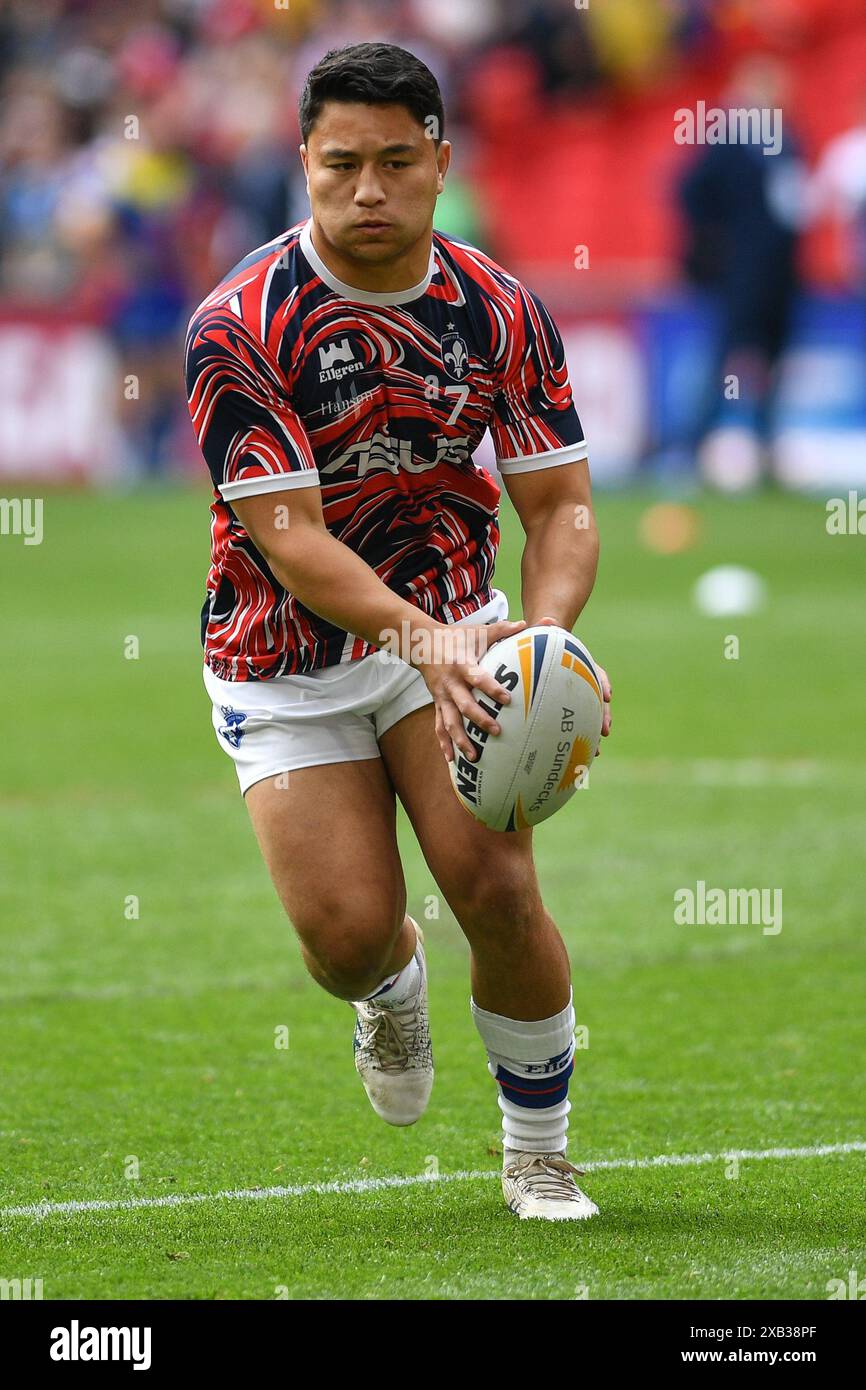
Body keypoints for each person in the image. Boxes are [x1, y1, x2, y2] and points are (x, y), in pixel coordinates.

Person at [185, 42, 611, 1221]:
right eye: (338, 165)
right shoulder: (239, 320)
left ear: (438, 160)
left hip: (458, 637)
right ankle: (390, 985)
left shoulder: (499, 307)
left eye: (390, 162)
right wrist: (422, 638)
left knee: (496, 884)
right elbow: (291, 539)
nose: (364, 190)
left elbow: (559, 504)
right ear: (303, 165)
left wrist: (543, 642)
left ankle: (538, 1151)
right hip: (285, 660)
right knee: (344, 936)